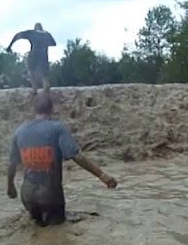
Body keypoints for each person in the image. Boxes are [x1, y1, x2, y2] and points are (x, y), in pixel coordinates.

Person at [7, 92, 116, 226]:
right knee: (57, 239)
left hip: (27, 197)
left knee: (37, 233)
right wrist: (102, 175)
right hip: (50, 197)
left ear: (34, 110)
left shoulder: (19, 131)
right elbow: (77, 156)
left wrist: (10, 186)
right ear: (52, 109)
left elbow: (12, 163)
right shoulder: (57, 128)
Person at [6, 22, 57, 95]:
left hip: (34, 53)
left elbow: (18, 35)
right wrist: (44, 43)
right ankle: (46, 88)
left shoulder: (32, 33)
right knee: (44, 74)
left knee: (31, 71)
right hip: (44, 54)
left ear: (35, 28)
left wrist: (9, 46)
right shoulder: (47, 34)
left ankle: (34, 88)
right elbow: (54, 44)